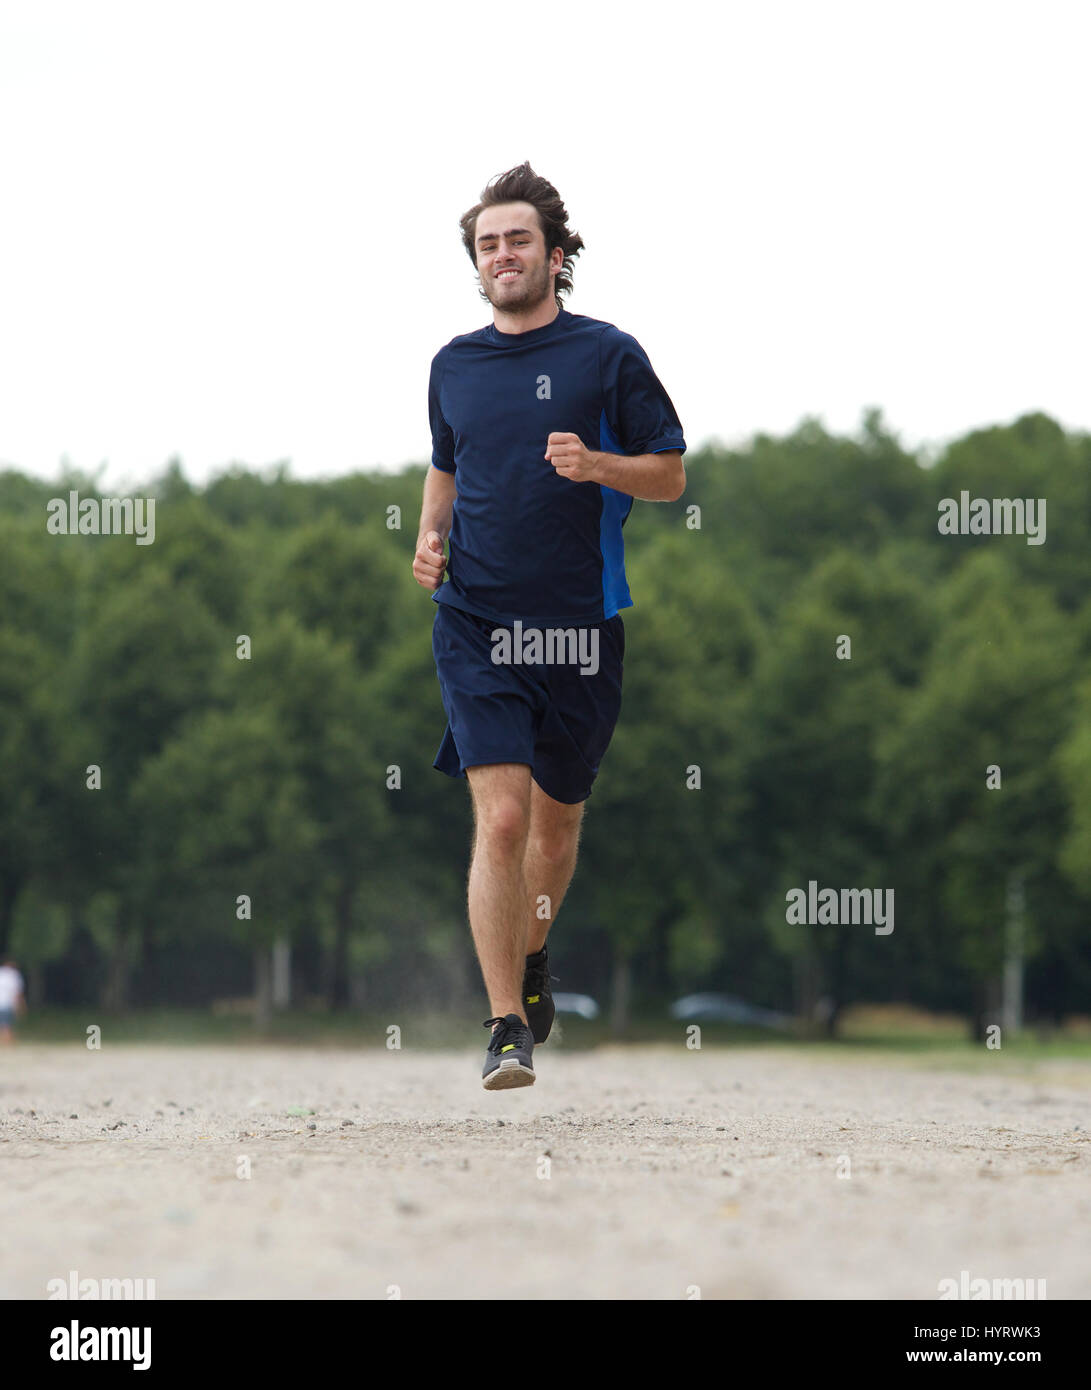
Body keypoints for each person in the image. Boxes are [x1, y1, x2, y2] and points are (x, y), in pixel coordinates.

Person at [414, 162, 686, 1090]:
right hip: (475, 620)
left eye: (517, 239)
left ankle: (533, 961)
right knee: (500, 819)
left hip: (579, 627)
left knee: (556, 828)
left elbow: (670, 474)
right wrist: (428, 537)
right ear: (476, 261)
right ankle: (502, 1027)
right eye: (487, 243)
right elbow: (445, 467)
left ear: (554, 254)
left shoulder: (607, 355)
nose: (502, 255)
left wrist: (599, 465)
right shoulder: (452, 364)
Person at [0, 957, 26, 1045]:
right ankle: (8, 1044)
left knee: (3, 1025)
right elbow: (17, 992)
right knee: (7, 1026)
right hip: (8, 1004)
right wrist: (21, 1005)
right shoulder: (14, 975)